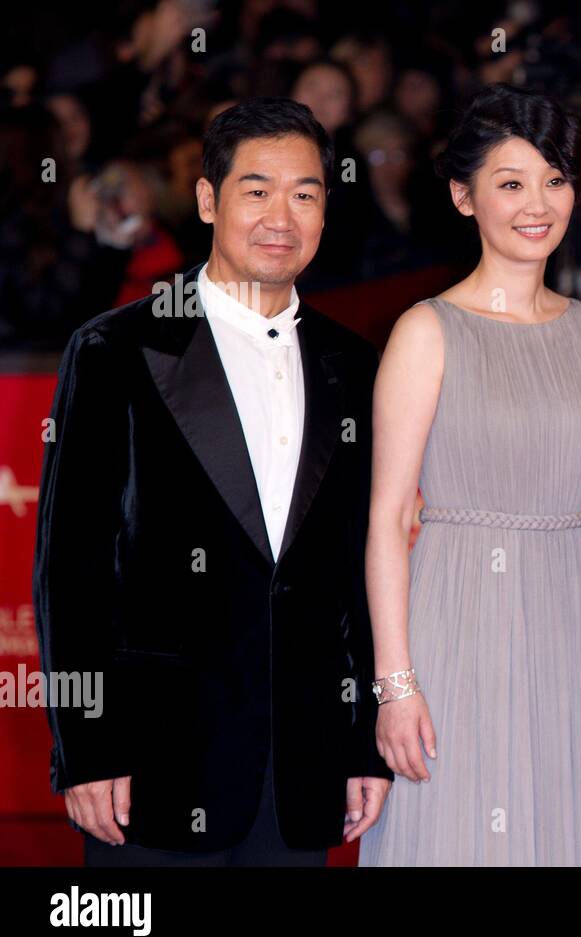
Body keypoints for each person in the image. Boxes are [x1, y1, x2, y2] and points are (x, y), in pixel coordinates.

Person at [33, 97, 392, 865]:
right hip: (154, 763)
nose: (281, 216)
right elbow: (71, 569)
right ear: (207, 200)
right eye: (256, 191)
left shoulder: (354, 365)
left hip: (299, 769)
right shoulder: (116, 349)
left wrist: (362, 739)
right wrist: (87, 748)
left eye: (305, 194)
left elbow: (361, 571)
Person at [358, 84, 581, 867]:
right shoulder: (426, 330)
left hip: (569, 628)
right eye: (512, 182)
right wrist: (396, 684)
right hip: (455, 622)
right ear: (464, 196)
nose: (539, 204)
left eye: (555, 180)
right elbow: (387, 520)